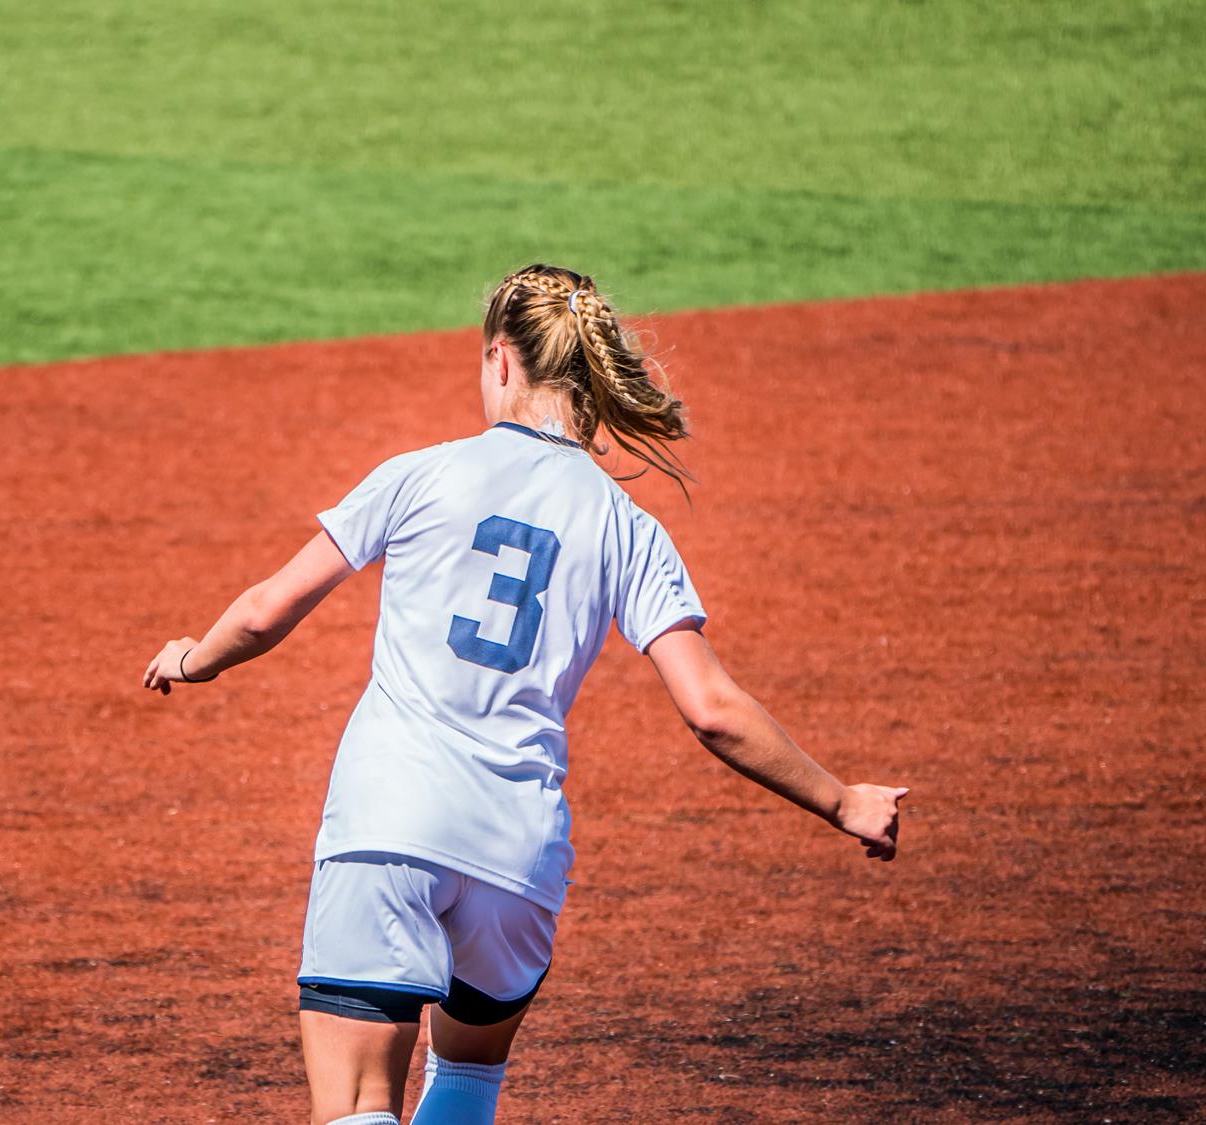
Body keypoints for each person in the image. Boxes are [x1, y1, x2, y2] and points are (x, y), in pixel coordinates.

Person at [142, 264, 907, 1125]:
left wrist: (193, 658)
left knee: (356, 1103)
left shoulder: (420, 474)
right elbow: (713, 710)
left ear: (501, 359)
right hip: (519, 856)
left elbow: (263, 612)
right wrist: (842, 800)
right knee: (467, 1076)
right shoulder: (628, 527)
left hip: (390, 823)